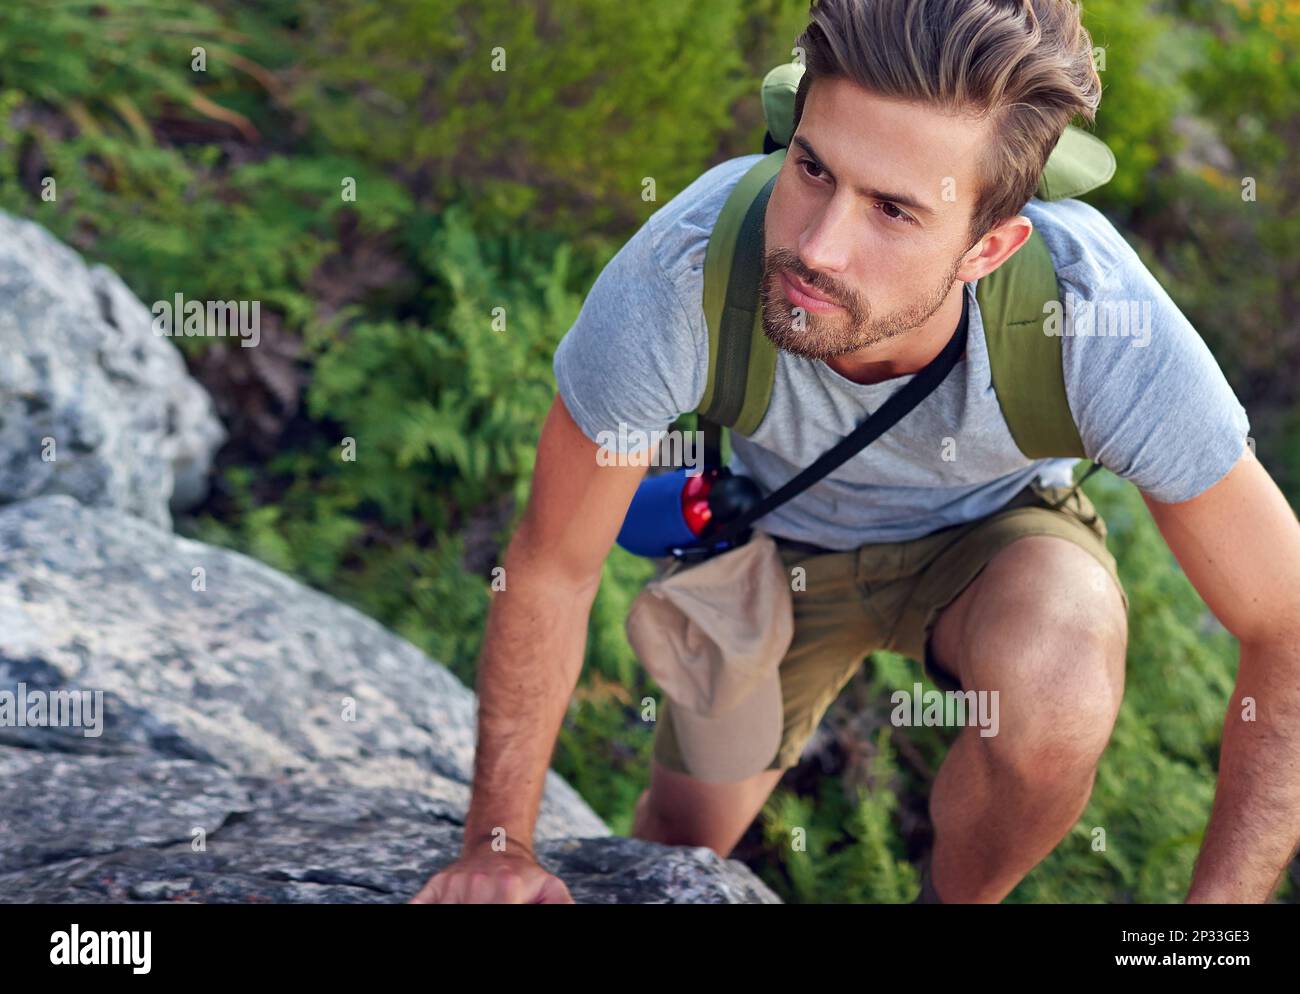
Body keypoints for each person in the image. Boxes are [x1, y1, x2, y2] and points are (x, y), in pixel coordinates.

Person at [411, 0, 1300, 904]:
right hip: (776, 546)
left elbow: (1287, 623)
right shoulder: (683, 277)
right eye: (813, 168)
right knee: (682, 846)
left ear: (989, 248)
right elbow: (553, 566)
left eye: (893, 210)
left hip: (993, 539)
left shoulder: (1097, 321)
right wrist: (498, 846)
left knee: (1058, 689)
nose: (815, 245)